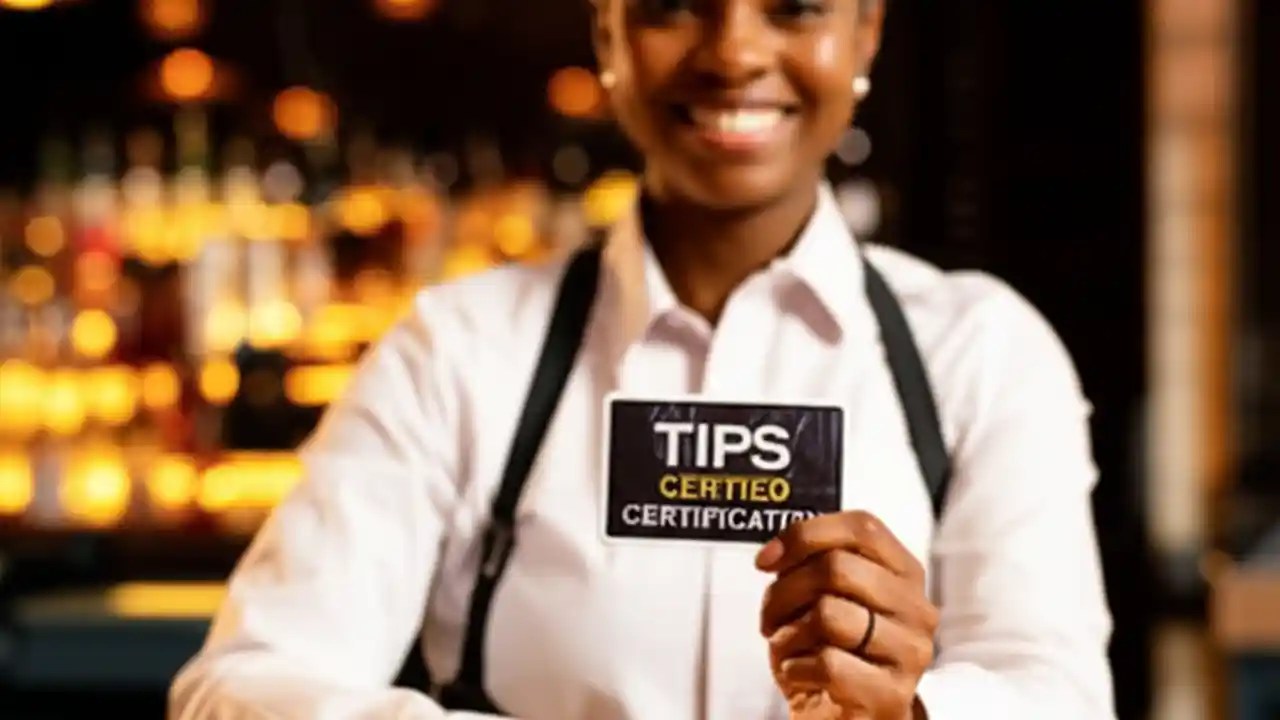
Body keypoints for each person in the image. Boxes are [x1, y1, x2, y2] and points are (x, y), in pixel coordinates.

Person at [170, 0, 1116, 717]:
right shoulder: (456, 351)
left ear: (867, 33)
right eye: (671, 2)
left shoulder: (983, 354)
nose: (736, 51)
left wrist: (917, 711)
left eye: (795, 5)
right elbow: (238, 687)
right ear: (607, 36)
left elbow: (1063, 694)